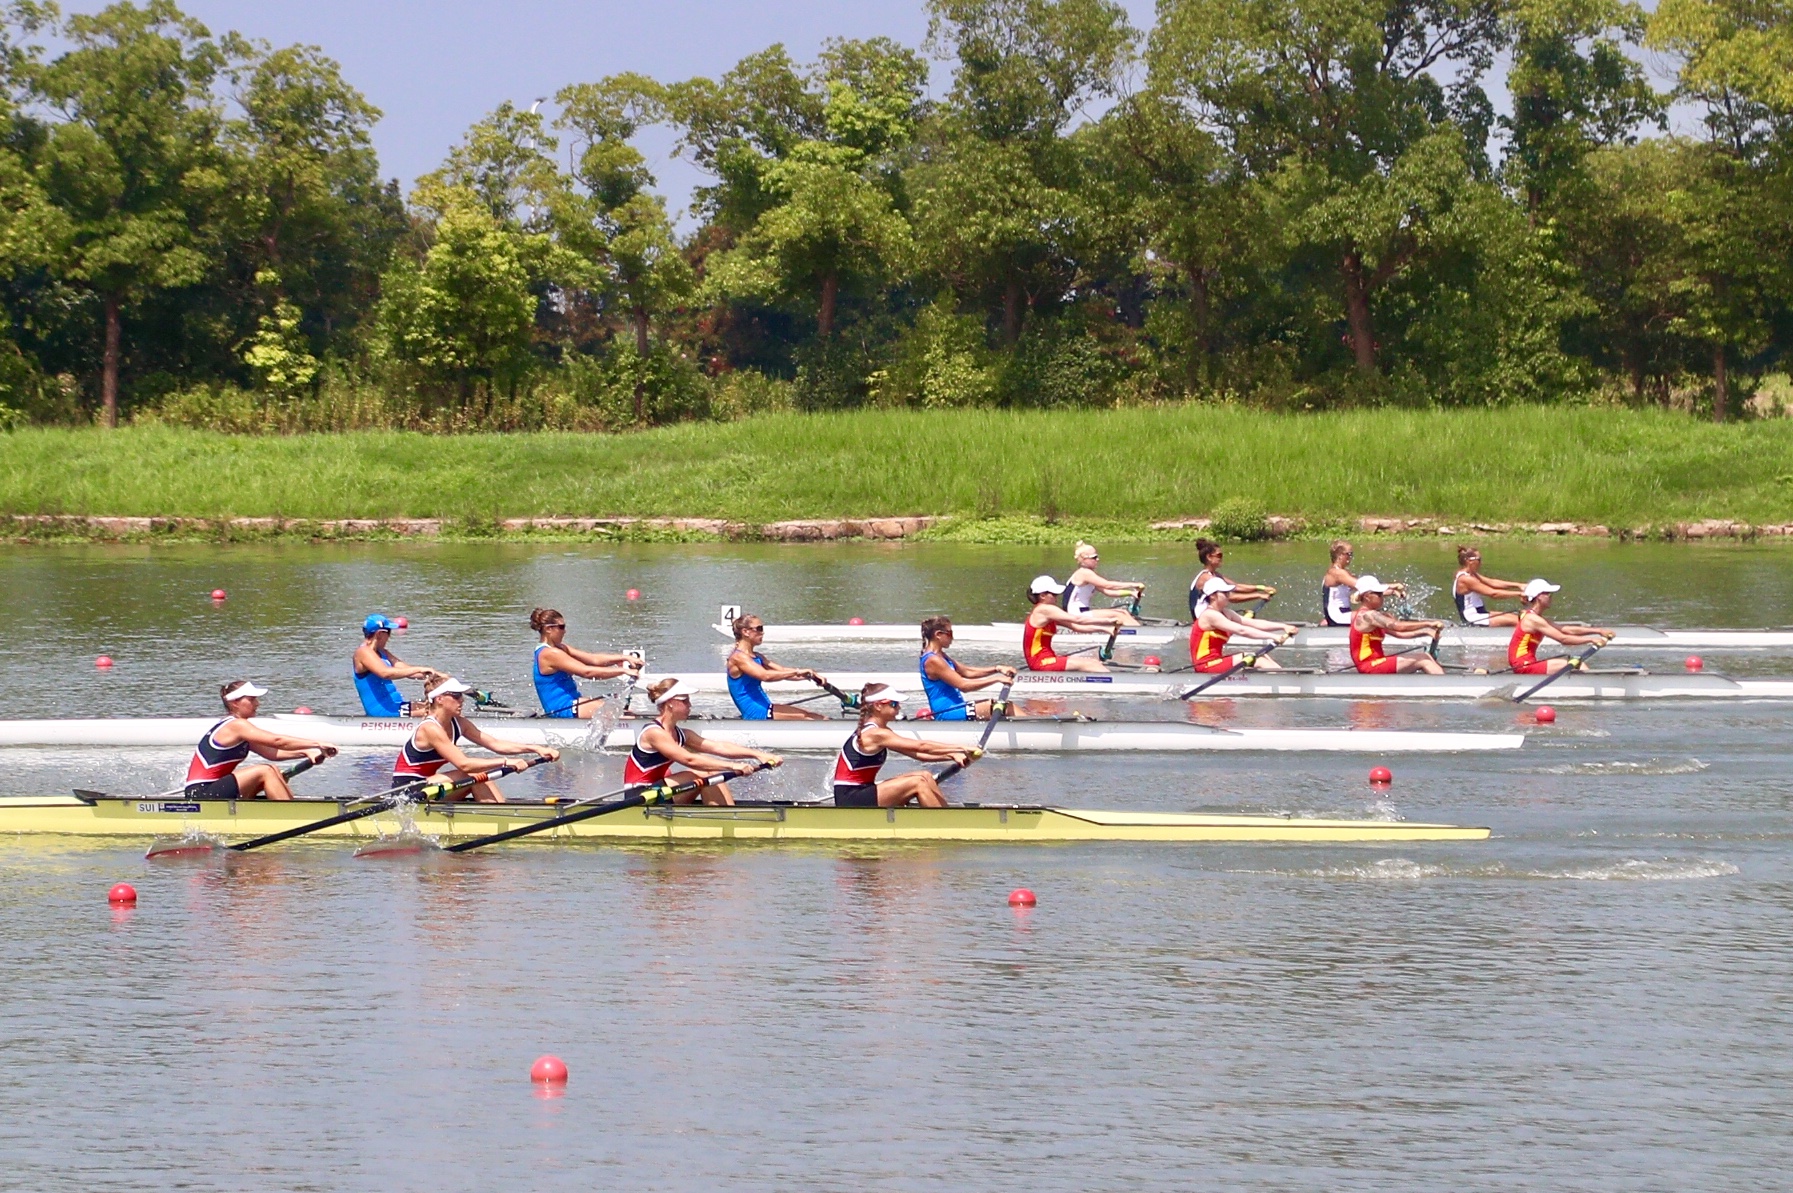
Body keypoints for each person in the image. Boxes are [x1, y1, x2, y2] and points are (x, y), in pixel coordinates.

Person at [392, 677, 557, 803]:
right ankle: (499, 819)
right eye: (456, 696)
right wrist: (506, 762)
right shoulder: (430, 728)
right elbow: (464, 764)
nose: (462, 700)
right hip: (408, 792)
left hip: (431, 785)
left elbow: (496, 744)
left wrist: (537, 749)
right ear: (439, 699)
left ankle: (500, 812)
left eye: (461, 696)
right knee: (475, 773)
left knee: (480, 775)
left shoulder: (459, 723)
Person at [624, 679, 784, 806]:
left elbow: (718, 747)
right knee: (706, 773)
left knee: (712, 773)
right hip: (640, 796)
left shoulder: (682, 734)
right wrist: (733, 766)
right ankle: (727, 820)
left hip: (660, 792)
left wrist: (759, 754)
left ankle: (729, 814)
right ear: (670, 703)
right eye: (685, 701)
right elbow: (690, 760)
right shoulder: (654, 733)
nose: (690, 705)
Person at [184, 681, 339, 800]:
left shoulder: (239, 729)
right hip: (200, 794)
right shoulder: (236, 725)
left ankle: (290, 809)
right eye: (251, 699)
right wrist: (317, 743)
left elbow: (273, 753)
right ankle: (294, 816)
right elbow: (277, 741)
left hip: (216, 789)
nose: (257, 703)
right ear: (235, 703)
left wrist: (307, 752)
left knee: (274, 769)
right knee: (266, 771)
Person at [832, 685, 980, 808]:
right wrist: (961, 748)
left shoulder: (882, 732)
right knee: (918, 782)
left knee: (925, 775)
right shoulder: (875, 733)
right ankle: (945, 825)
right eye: (894, 704)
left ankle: (947, 816)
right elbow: (921, 746)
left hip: (863, 790)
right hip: (851, 798)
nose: (898, 708)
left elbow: (919, 755)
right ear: (878, 706)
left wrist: (952, 756)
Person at [528, 607, 641, 719]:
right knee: (623, 715)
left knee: (626, 713)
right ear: (548, 629)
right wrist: (623, 670)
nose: (565, 631)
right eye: (561, 627)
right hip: (561, 708)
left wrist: (625, 658)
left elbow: (593, 660)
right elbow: (586, 672)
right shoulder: (549, 653)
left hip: (573, 703)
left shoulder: (561, 648)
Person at [727, 614, 835, 721]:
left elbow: (782, 671)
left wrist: (810, 675)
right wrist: (797, 671)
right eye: (759, 629)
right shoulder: (738, 658)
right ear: (746, 632)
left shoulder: (758, 656)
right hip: (756, 713)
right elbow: (765, 676)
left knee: (813, 716)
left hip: (765, 708)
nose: (762, 632)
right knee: (809, 717)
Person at [1509, 580, 1616, 675]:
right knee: (1578, 664)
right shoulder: (1532, 619)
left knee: (1574, 663)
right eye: (1548, 593)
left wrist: (1598, 631)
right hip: (1523, 665)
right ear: (1539, 597)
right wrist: (1591, 640)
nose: (1551, 597)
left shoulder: (1537, 618)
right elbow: (1563, 639)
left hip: (1527, 664)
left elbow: (1566, 629)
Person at [1189, 579, 1298, 672]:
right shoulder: (1210, 615)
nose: (1228, 595)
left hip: (1216, 661)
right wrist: (1273, 636)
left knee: (1262, 655)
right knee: (1257, 659)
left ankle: (1282, 677)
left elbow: (1254, 623)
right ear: (1212, 596)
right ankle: (1286, 682)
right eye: (1224, 593)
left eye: (1228, 592)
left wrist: (1283, 626)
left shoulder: (1227, 613)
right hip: (1205, 665)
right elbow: (1242, 630)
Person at [920, 616, 1017, 720]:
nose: (952, 638)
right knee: (1007, 707)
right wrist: (997, 679)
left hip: (957, 707)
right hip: (947, 712)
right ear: (938, 635)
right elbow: (964, 686)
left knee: (1004, 706)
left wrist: (997, 669)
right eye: (949, 634)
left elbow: (967, 672)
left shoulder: (940, 655)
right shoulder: (933, 660)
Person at [1023, 575, 1123, 673]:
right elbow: (1077, 619)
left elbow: (1077, 627)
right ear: (1042, 596)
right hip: (1040, 662)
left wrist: (1105, 629)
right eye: (1054, 594)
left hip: (1048, 658)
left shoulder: (1049, 614)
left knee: (1093, 662)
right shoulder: (1044, 609)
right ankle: (1117, 684)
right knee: (1091, 664)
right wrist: (1108, 621)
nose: (1056, 597)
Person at [1349, 577, 1445, 674]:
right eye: (1379, 594)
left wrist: (1426, 632)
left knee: (1427, 657)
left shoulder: (1374, 616)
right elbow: (1397, 626)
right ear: (1367, 596)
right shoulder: (1367, 615)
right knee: (1424, 659)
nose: (1382, 597)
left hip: (1377, 662)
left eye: (1382, 594)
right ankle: (1447, 686)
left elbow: (1400, 634)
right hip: (1369, 665)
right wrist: (1428, 623)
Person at [354, 615, 437, 716]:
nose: (389, 638)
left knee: (435, 706)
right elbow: (385, 673)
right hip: (382, 712)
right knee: (437, 712)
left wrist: (437, 675)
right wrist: (419, 668)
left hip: (396, 706)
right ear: (380, 634)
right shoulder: (363, 652)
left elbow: (409, 671)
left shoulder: (383, 652)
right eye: (389, 632)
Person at [1321, 541, 1404, 626]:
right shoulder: (1336, 573)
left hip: (1343, 613)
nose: (1351, 557)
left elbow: (1367, 592)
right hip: (1337, 617)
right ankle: (1401, 631)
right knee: (1380, 617)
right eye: (1349, 554)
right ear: (1340, 555)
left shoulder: (1343, 573)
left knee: (1384, 616)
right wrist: (1391, 586)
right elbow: (1364, 585)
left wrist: (1392, 592)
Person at [1189, 538, 1276, 618]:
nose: (1221, 558)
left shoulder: (1215, 575)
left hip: (1211, 616)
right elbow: (1230, 597)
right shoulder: (1207, 578)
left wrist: (1262, 588)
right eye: (1219, 555)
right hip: (1203, 620)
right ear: (1209, 557)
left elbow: (1236, 586)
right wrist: (1259, 595)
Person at [1061, 542, 1143, 625]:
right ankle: (1142, 634)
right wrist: (1133, 584)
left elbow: (1108, 592)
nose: (1098, 559)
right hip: (1075, 614)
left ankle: (1138, 631)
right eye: (1094, 557)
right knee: (1119, 615)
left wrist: (1131, 593)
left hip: (1081, 612)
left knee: (1123, 612)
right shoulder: (1084, 573)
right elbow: (1107, 585)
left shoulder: (1089, 575)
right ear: (1084, 559)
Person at [1453, 548, 1528, 627]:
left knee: (1520, 617)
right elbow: (1493, 594)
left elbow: (1492, 582)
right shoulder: (1466, 579)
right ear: (1469, 561)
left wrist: (1519, 585)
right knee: (1520, 622)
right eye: (1479, 559)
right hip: (1473, 618)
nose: (1481, 563)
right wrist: (1519, 594)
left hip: (1480, 613)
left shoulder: (1471, 574)